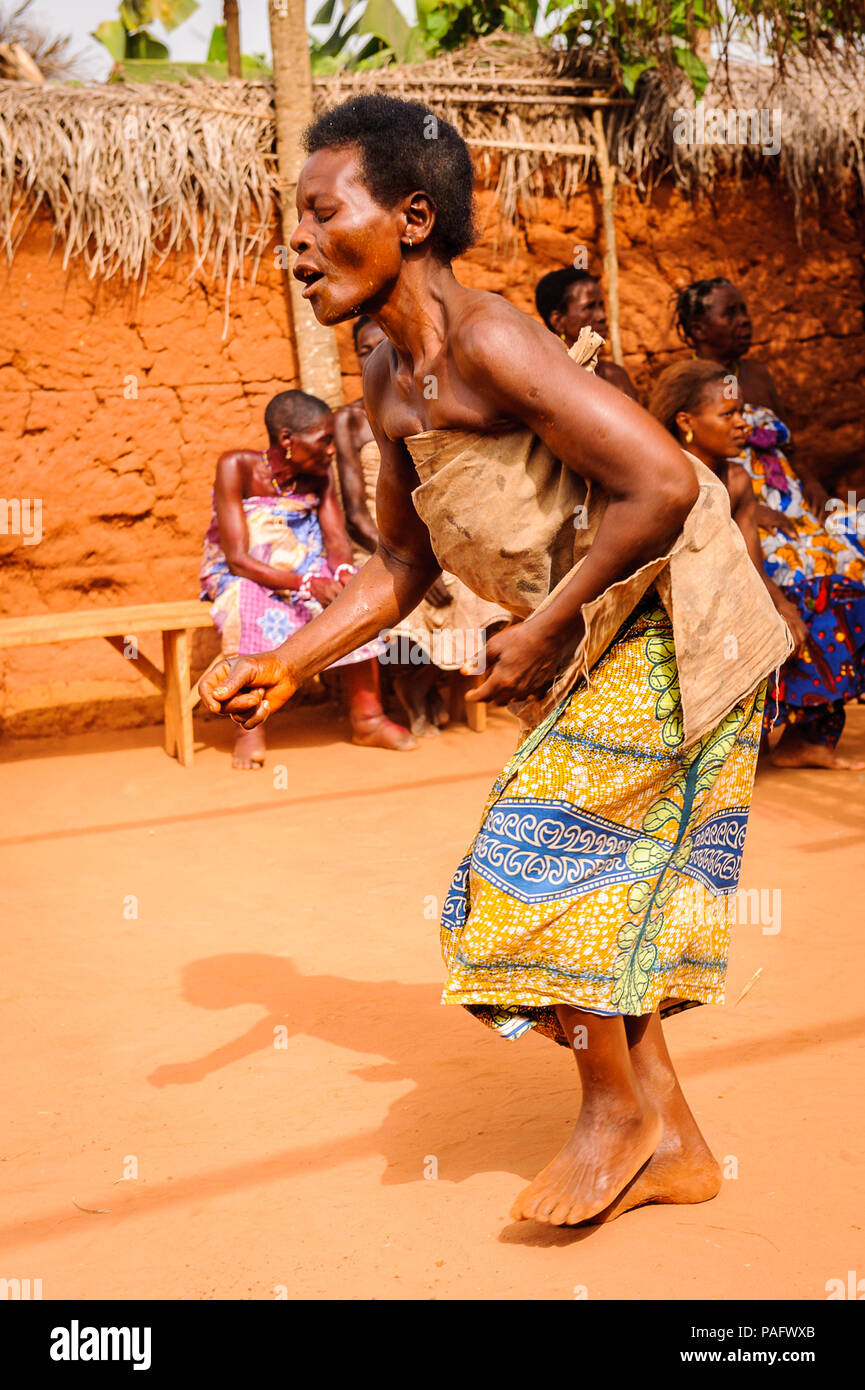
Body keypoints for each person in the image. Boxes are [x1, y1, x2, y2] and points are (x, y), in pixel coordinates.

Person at [201, 94, 790, 1228]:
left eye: (325, 214)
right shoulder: (382, 378)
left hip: (682, 613)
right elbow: (400, 565)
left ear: (412, 217)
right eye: (297, 219)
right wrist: (288, 664)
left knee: (530, 859)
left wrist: (545, 622)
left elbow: (664, 485)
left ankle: (614, 1116)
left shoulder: (491, 338)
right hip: (608, 627)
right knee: (601, 893)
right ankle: (674, 1144)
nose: (299, 242)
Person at [676, 277, 865, 768]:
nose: (745, 321)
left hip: (792, 501)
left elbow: (790, 453)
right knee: (799, 575)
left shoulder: (758, 374)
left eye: (745, 310)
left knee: (854, 556)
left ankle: (815, 730)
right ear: (697, 327)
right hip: (746, 506)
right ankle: (772, 727)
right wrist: (750, 508)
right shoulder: (691, 384)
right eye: (730, 313)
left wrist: (821, 497)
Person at [199, 388, 416, 767]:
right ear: (287, 441)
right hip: (246, 572)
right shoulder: (236, 466)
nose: (332, 450)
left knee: (352, 600)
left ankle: (368, 718)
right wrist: (303, 584)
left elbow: (335, 540)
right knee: (246, 601)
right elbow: (237, 559)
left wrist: (344, 573)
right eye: (324, 440)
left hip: (306, 566)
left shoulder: (319, 476)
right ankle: (248, 726)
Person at [335, 315, 511, 735]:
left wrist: (437, 553)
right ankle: (414, 682)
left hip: (437, 539)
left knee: (481, 593)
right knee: (405, 596)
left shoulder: (430, 405)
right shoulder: (349, 420)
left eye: (382, 347)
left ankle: (425, 680)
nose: (372, 356)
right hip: (381, 540)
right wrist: (404, 553)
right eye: (363, 350)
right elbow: (354, 511)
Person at [534, 266, 638, 399]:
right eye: (589, 307)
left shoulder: (615, 376)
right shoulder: (545, 380)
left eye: (601, 305)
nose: (601, 316)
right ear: (558, 320)